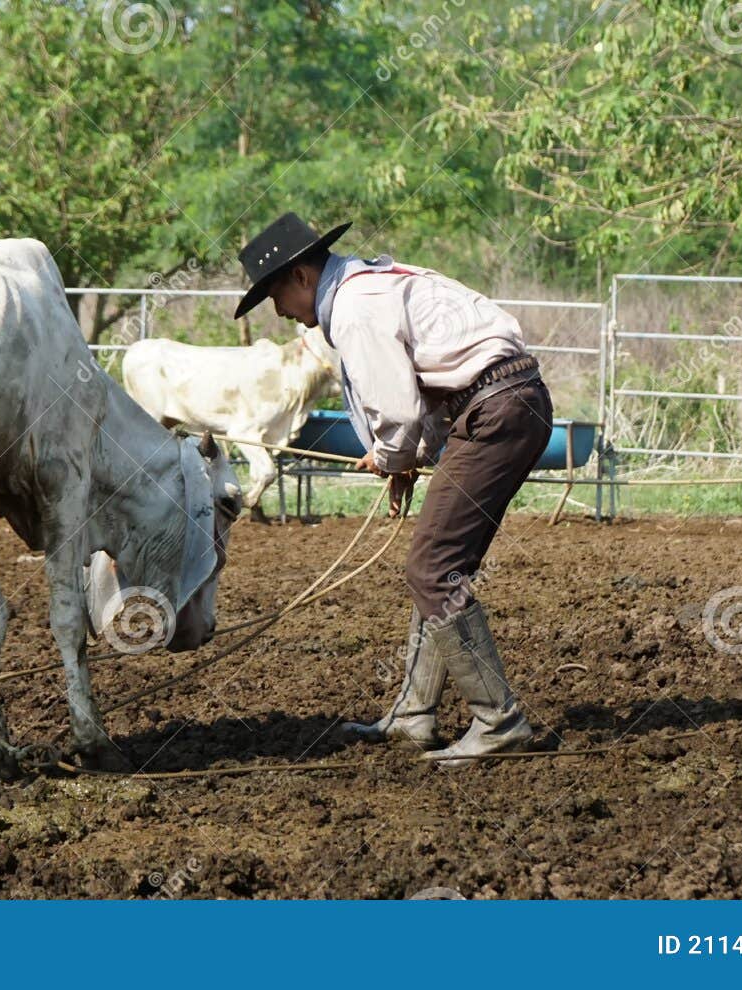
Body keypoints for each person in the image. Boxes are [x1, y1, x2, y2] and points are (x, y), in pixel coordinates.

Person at [233, 212, 554, 766]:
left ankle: (500, 721)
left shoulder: (356, 310)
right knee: (438, 562)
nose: (279, 312)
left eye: (275, 295)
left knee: (432, 567)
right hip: (504, 403)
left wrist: (391, 456)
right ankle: (413, 714)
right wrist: (407, 456)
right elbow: (419, 391)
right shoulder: (371, 286)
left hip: (495, 411)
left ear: (303, 278)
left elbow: (399, 409)